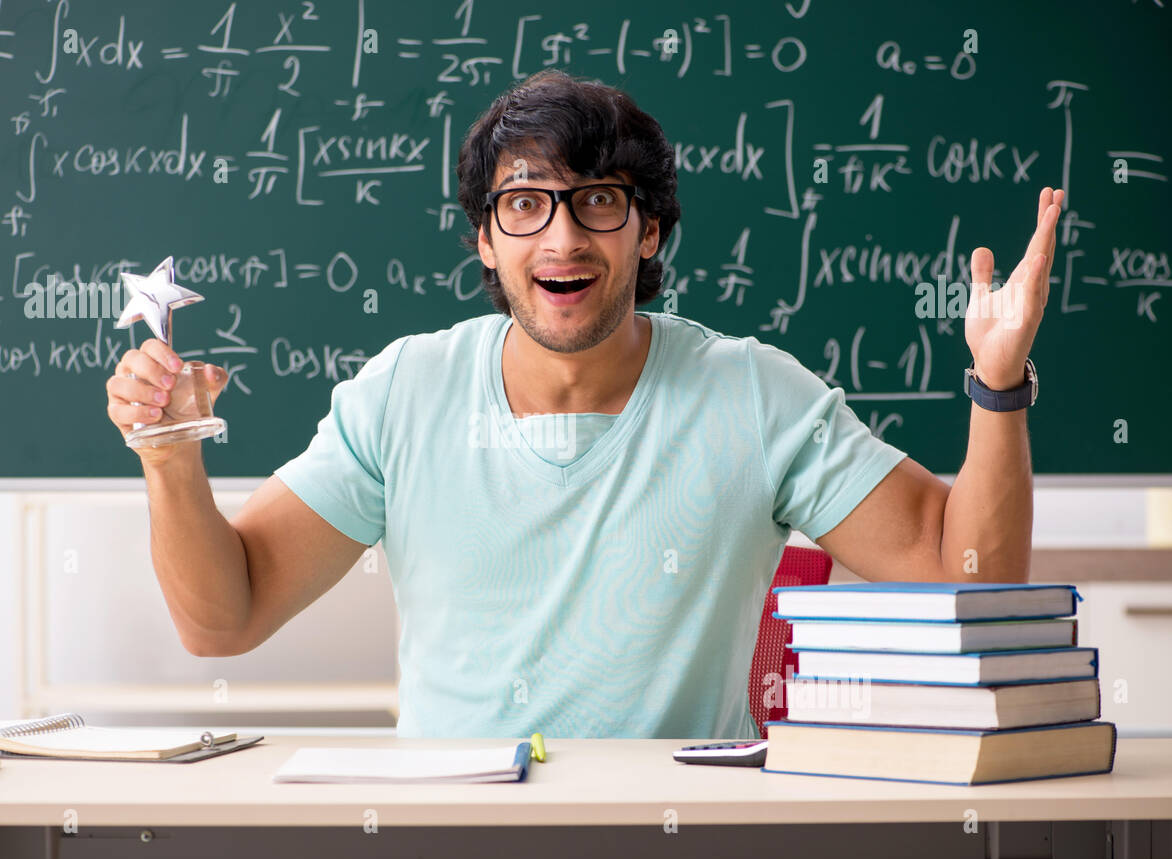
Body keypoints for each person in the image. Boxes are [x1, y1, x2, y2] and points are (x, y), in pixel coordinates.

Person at [105, 69, 1061, 738]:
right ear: (486, 240)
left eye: (599, 200)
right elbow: (220, 621)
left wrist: (999, 384)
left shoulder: (753, 393)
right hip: (451, 846)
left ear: (649, 232)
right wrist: (169, 454)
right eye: (525, 204)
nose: (561, 237)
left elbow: (967, 578)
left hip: (681, 841)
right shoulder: (404, 393)